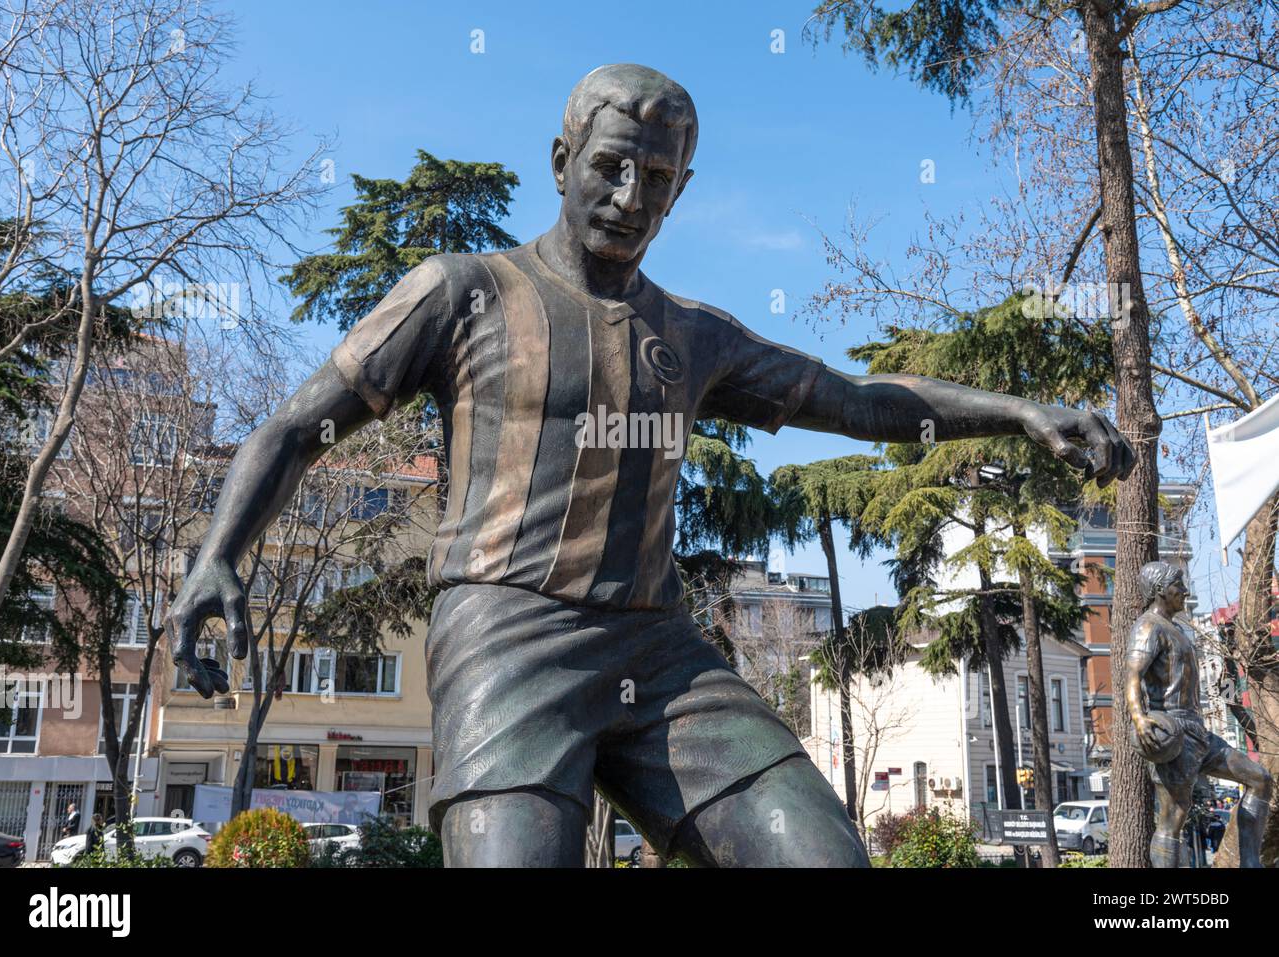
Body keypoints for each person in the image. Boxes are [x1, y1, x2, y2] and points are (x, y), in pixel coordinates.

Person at [167, 64, 1134, 867]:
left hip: (657, 652)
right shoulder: (461, 294)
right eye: (612, 168)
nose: (631, 199)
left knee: (823, 856)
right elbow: (296, 429)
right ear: (562, 161)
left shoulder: (693, 337)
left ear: (681, 192)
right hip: (507, 635)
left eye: (657, 181)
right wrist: (219, 555)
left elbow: (863, 400)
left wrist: (1021, 413)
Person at [1127, 561, 1273, 867]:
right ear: (1159, 591)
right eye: (1178, 585)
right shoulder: (1148, 626)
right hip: (1173, 733)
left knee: (1259, 779)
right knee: (1174, 816)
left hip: (1198, 732)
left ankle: (1250, 863)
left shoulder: (1178, 629)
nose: (1185, 591)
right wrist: (1140, 719)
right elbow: (1132, 677)